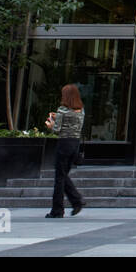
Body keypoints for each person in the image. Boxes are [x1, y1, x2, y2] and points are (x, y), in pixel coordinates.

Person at [45, 84, 85, 218]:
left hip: (64, 144)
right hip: (75, 144)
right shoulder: (81, 110)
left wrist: (51, 124)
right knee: (63, 175)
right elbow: (72, 122)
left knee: (59, 177)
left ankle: (57, 210)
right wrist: (58, 117)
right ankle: (76, 201)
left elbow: (57, 130)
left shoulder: (62, 110)